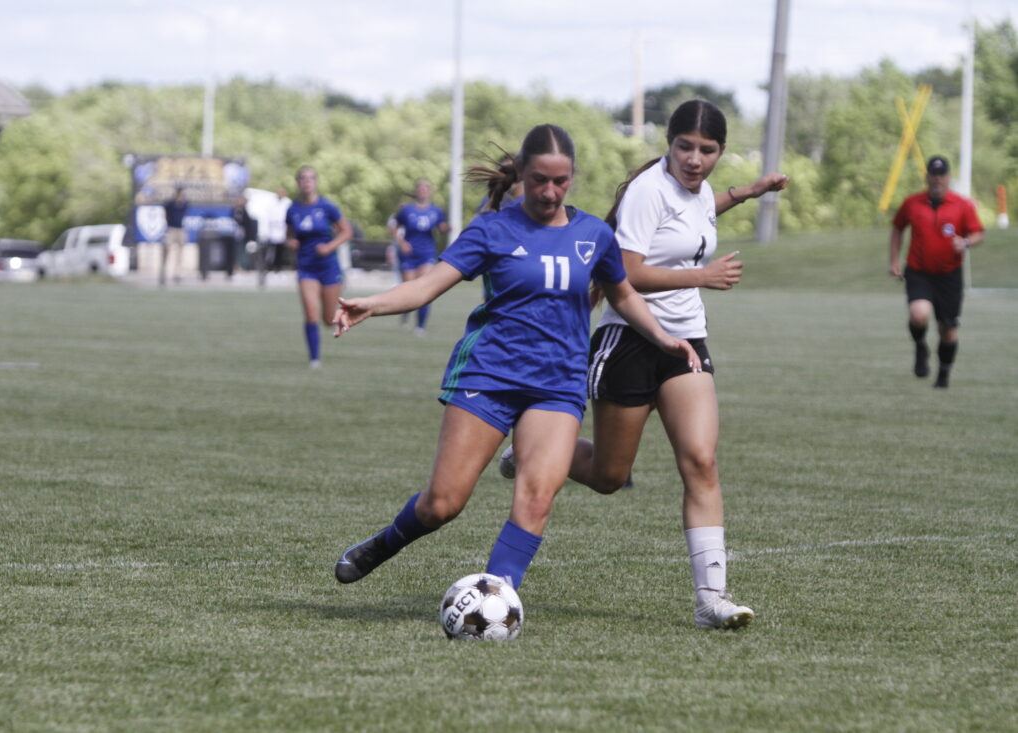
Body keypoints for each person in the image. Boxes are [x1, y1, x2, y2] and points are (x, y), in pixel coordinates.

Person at [332, 124, 700, 594]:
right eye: (540, 180)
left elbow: (622, 294)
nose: (550, 191)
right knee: (443, 504)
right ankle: (385, 542)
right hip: (489, 375)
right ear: (522, 175)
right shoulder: (492, 229)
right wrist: (371, 304)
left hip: (557, 384)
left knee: (536, 498)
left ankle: (496, 596)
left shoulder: (594, 234)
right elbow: (427, 286)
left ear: (572, 178)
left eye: (561, 181)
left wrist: (662, 336)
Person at [502, 100, 788, 630]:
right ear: (669, 143)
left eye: (707, 151)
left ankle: (711, 598)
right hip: (628, 342)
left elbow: (697, 213)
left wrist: (746, 192)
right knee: (611, 476)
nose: (695, 160)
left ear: (721, 151)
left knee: (701, 461)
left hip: (686, 343)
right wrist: (702, 278)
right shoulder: (646, 191)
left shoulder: (698, 189)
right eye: (685, 147)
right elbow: (626, 274)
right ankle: (530, 453)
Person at [888, 155, 983, 388]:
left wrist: (966, 243)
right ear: (927, 177)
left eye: (942, 175)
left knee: (948, 331)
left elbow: (978, 233)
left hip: (949, 275)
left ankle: (943, 373)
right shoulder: (912, 203)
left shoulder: (962, 205)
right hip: (919, 271)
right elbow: (898, 228)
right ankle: (920, 346)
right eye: (933, 174)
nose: (937, 179)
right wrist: (894, 260)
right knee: (919, 314)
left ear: (948, 178)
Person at [286, 166, 353, 369]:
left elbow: (346, 232)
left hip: (328, 267)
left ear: (316, 182)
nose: (307, 182)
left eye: (310, 178)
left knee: (327, 319)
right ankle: (314, 358)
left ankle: (341, 312)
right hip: (306, 268)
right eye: (303, 178)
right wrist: (291, 243)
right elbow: (289, 235)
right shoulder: (293, 209)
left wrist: (329, 246)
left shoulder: (327, 206)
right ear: (298, 182)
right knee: (311, 314)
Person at [388, 179, 449, 334]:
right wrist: (401, 243)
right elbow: (394, 227)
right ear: (416, 191)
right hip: (409, 254)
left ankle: (420, 326)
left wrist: (447, 228)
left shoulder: (436, 210)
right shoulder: (407, 210)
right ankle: (405, 313)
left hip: (427, 254)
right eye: (420, 187)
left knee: (424, 287)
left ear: (430, 191)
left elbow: (442, 228)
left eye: (426, 187)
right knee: (409, 288)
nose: (422, 190)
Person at [259, 188, 291, 288]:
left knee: (281, 253)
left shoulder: (288, 203)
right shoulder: (271, 203)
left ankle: (279, 270)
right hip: (273, 231)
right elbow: (268, 217)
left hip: (282, 231)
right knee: (270, 253)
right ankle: (270, 270)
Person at [160, 187, 188, 287]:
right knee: (166, 251)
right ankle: (163, 274)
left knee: (180, 254)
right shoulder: (170, 204)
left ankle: (178, 274)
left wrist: (180, 201)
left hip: (180, 230)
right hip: (171, 229)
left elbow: (184, 209)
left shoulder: (184, 204)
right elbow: (165, 207)